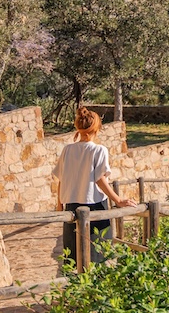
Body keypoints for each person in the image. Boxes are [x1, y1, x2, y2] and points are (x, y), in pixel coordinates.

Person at [53, 106, 136, 265]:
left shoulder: (67, 150)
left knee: (73, 257)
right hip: (96, 207)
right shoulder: (99, 150)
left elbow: (61, 179)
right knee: (98, 256)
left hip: (71, 206)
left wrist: (59, 205)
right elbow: (99, 179)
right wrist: (118, 200)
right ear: (97, 128)